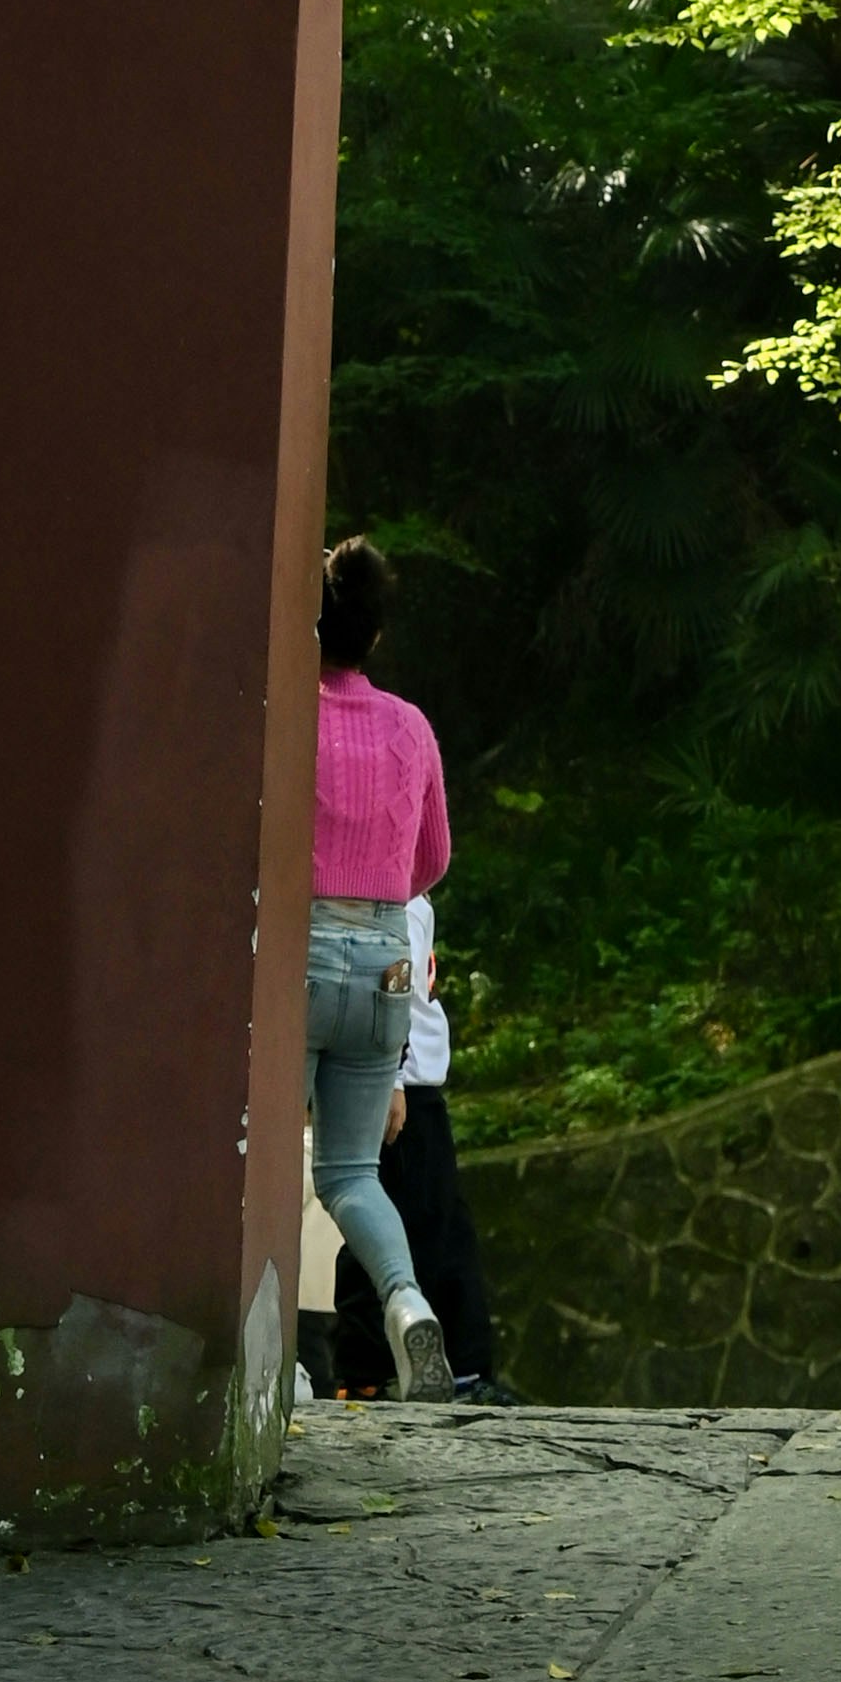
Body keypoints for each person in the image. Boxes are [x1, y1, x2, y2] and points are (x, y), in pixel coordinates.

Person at [307, 536, 456, 1402]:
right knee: (352, 1173)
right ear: (374, 634)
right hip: (389, 965)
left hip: (302, 949)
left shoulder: (286, 714)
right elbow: (431, 858)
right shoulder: (410, 727)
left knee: (264, 1168)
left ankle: (268, 1360)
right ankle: (407, 1304)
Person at [327, 887, 505, 1407]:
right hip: (400, 1086)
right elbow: (390, 982)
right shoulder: (392, 901)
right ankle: (384, 1371)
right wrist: (396, 1077)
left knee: (416, 1219)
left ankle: (386, 1370)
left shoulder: (409, 899)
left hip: (408, 1083)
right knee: (416, 1221)